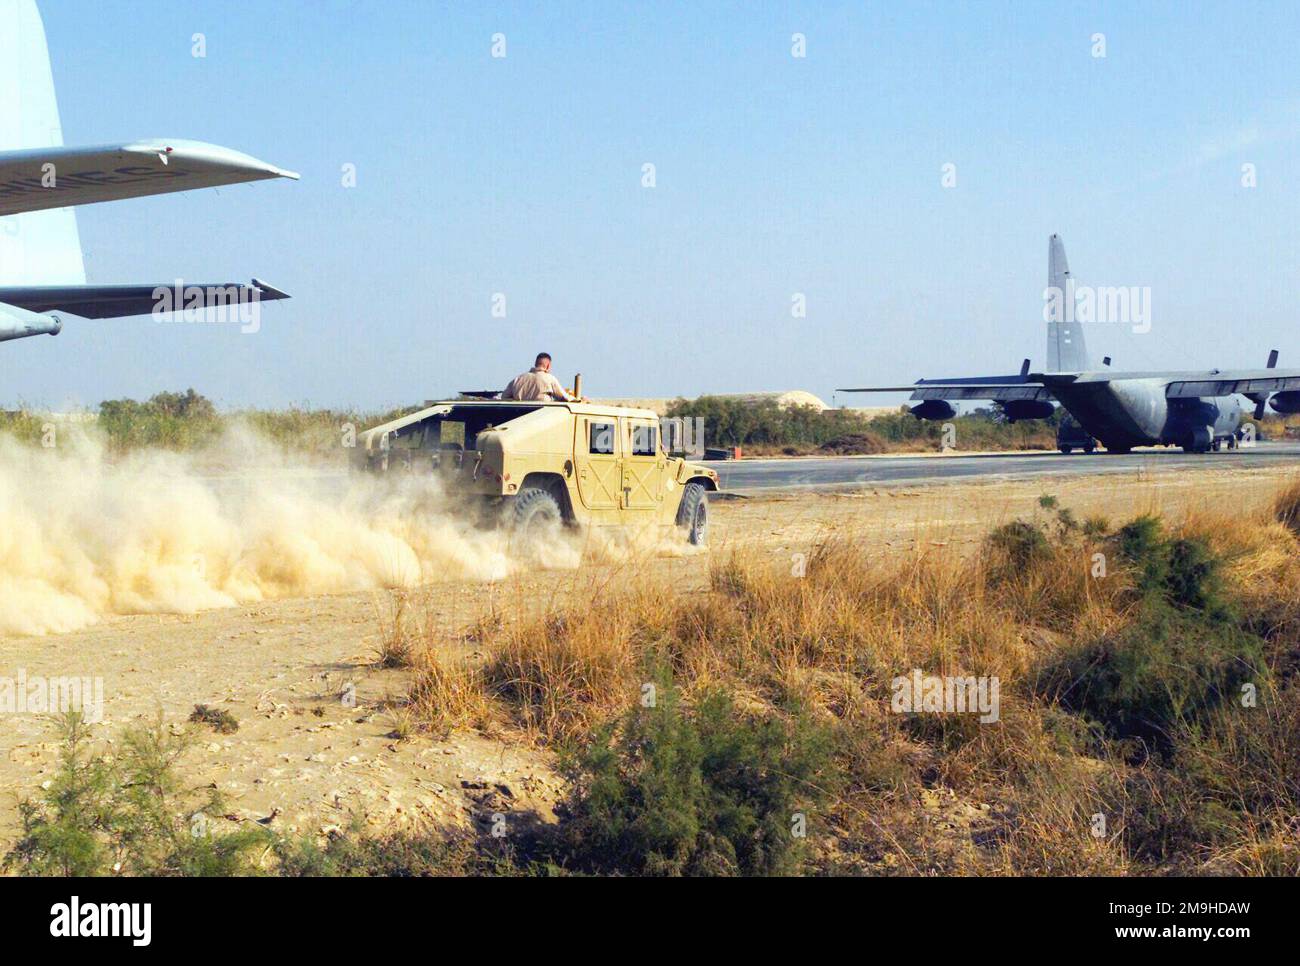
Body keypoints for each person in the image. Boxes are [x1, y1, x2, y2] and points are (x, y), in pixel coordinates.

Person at [502, 352, 576, 401]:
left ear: (535, 363)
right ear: (548, 366)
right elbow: (564, 397)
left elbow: (504, 397)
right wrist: (579, 400)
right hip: (543, 418)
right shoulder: (549, 378)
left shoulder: (518, 379)